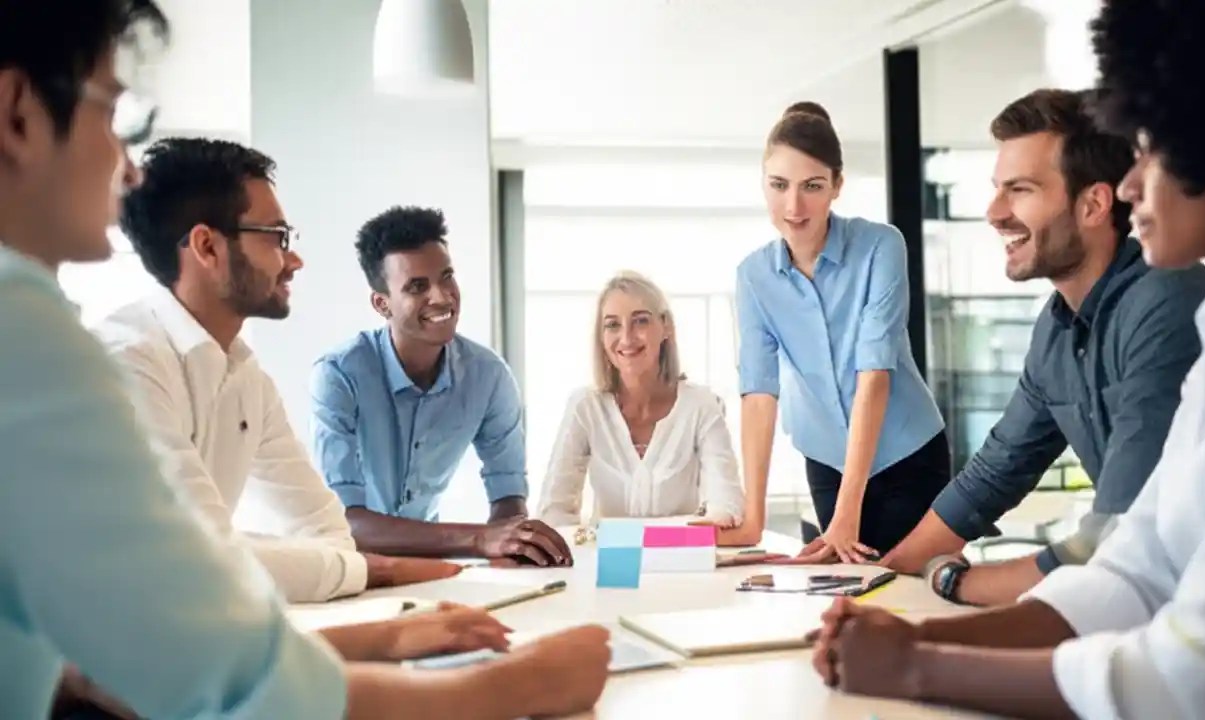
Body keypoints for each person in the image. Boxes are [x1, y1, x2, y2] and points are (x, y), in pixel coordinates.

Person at [0, 1, 609, 718]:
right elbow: (216, 639)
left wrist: (381, 621)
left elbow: (278, 562)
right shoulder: (52, 338)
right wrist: (515, 686)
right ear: (18, 114)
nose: (127, 169)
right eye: (112, 113)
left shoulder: (239, 372)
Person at [812, 1, 1205, 717]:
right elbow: (1131, 569)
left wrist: (918, 660)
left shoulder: (1188, 311)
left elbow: (1199, 673)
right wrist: (909, 624)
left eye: (1151, 148)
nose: (1132, 185)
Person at [879, 89, 1205, 606]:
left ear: (1093, 204)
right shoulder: (1058, 326)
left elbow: (1115, 536)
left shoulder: (1165, 302)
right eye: (998, 190)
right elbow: (995, 472)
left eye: (1020, 190)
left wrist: (957, 581)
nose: (994, 213)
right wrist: (876, 575)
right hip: (1158, 600)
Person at [96, 137, 460, 603]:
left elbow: (326, 533)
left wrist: (347, 568)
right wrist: (376, 571)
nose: (294, 261)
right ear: (207, 246)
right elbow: (202, 560)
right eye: (277, 237)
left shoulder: (245, 375)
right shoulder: (125, 365)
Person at [727, 101, 950, 563]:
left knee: (909, 586)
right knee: (848, 590)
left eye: (812, 186)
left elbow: (874, 376)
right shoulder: (753, 276)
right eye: (779, 185)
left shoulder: (880, 247)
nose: (794, 206)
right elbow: (759, 394)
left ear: (836, 186)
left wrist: (848, 513)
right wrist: (753, 518)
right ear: (763, 183)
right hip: (826, 460)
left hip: (907, 455)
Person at [312, 206, 572, 567]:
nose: (442, 297)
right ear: (382, 303)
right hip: (345, 568)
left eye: (446, 277)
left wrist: (513, 547)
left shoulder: (489, 376)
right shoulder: (339, 376)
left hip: (427, 566)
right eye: (417, 286)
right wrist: (479, 539)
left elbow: (508, 496)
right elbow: (343, 523)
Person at [537, 271, 746, 526]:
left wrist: (713, 523)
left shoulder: (702, 405)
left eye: (641, 321)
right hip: (604, 552)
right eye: (612, 325)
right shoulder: (585, 407)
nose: (626, 338)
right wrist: (579, 544)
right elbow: (553, 511)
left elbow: (727, 503)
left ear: (665, 326)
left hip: (681, 550)